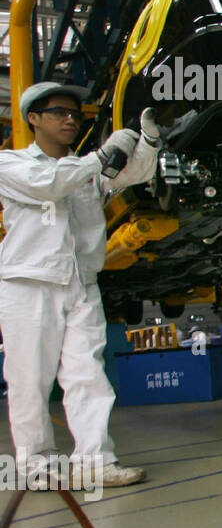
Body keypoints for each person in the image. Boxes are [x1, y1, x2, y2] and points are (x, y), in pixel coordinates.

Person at [0, 82, 160, 488]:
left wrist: (149, 143)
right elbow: (48, 184)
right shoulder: (12, 165)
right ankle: (37, 467)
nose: (71, 119)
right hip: (28, 283)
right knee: (29, 379)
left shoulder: (87, 171)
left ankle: (95, 461)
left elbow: (132, 173)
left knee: (88, 374)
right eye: (58, 112)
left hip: (80, 284)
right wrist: (103, 156)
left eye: (75, 114)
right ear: (32, 118)